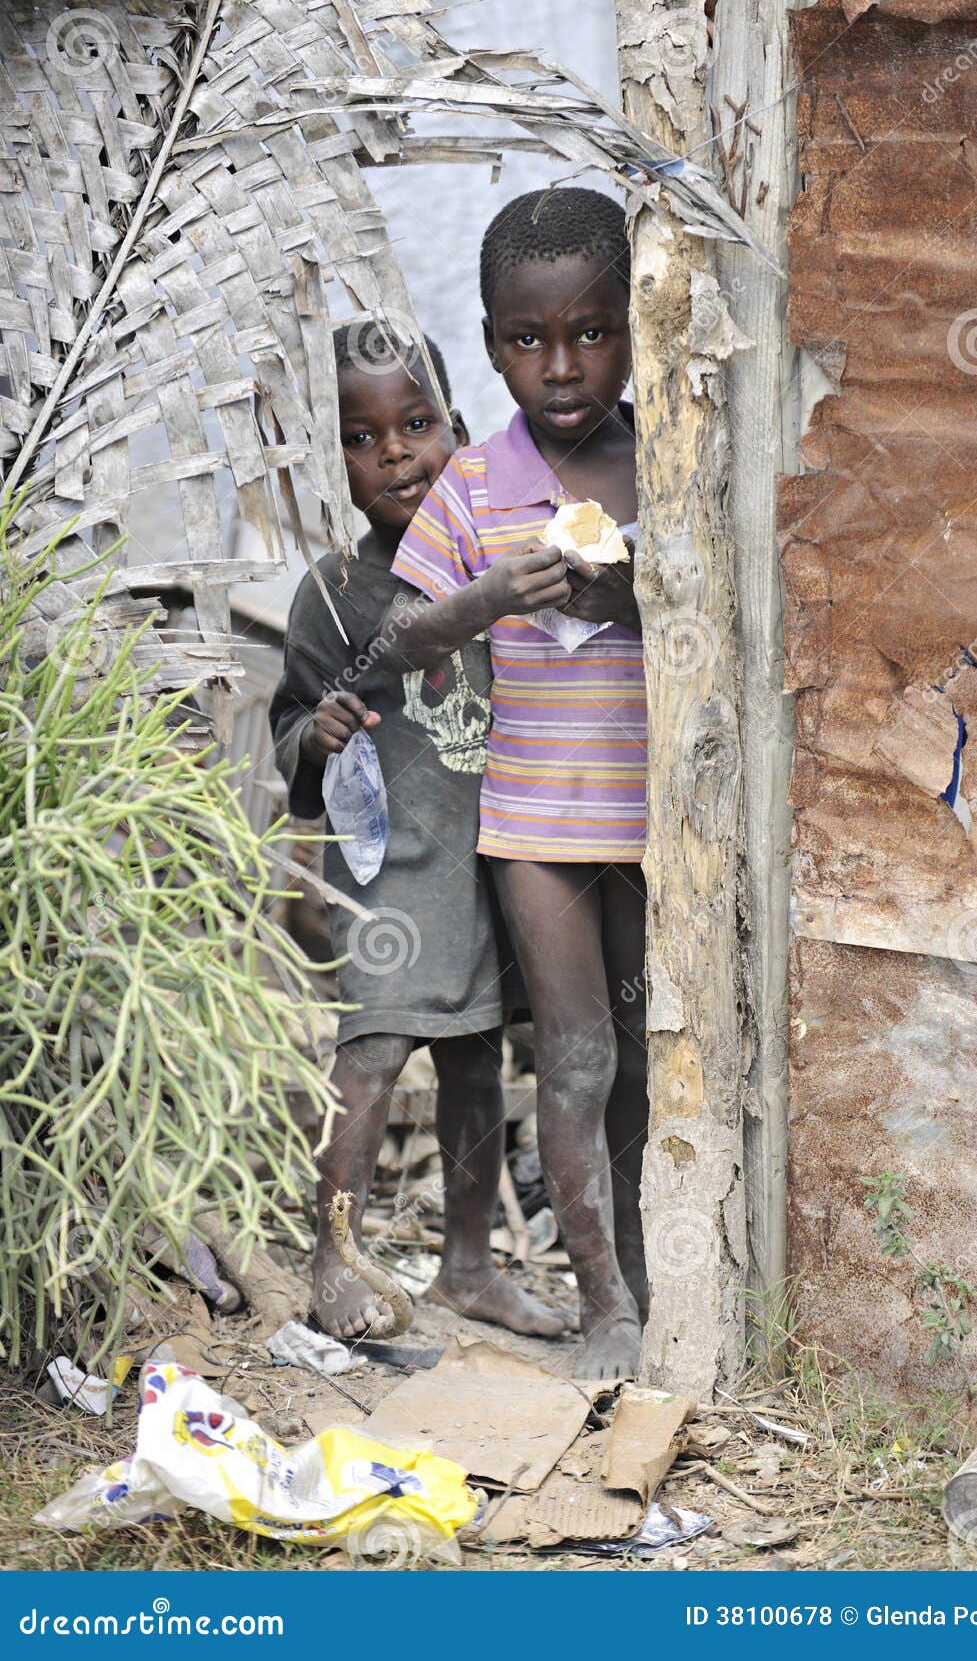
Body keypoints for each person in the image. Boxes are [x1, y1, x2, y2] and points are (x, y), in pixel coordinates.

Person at [381, 188, 648, 1381]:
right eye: (526, 340)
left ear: (633, 327)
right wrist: (488, 598)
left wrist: (629, 592)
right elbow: (396, 646)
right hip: (535, 828)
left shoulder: (669, 460)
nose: (558, 366)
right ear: (489, 343)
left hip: (660, 826)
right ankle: (606, 1309)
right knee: (579, 1059)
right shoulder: (476, 485)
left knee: (653, 1059)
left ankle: (661, 1274)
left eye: (588, 332)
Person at [270, 323, 566, 1344]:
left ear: (460, 428)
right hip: (396, 869)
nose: (394, 451)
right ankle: (333, 1252)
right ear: (334, 457)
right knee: (373, 1053)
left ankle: (469, 1266)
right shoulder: (330, 595)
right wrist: (316, 732)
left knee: (479, 1061)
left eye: (416, 423)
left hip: (497, 856)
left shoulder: (505, 566)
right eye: (362, 436)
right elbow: (291, 738)